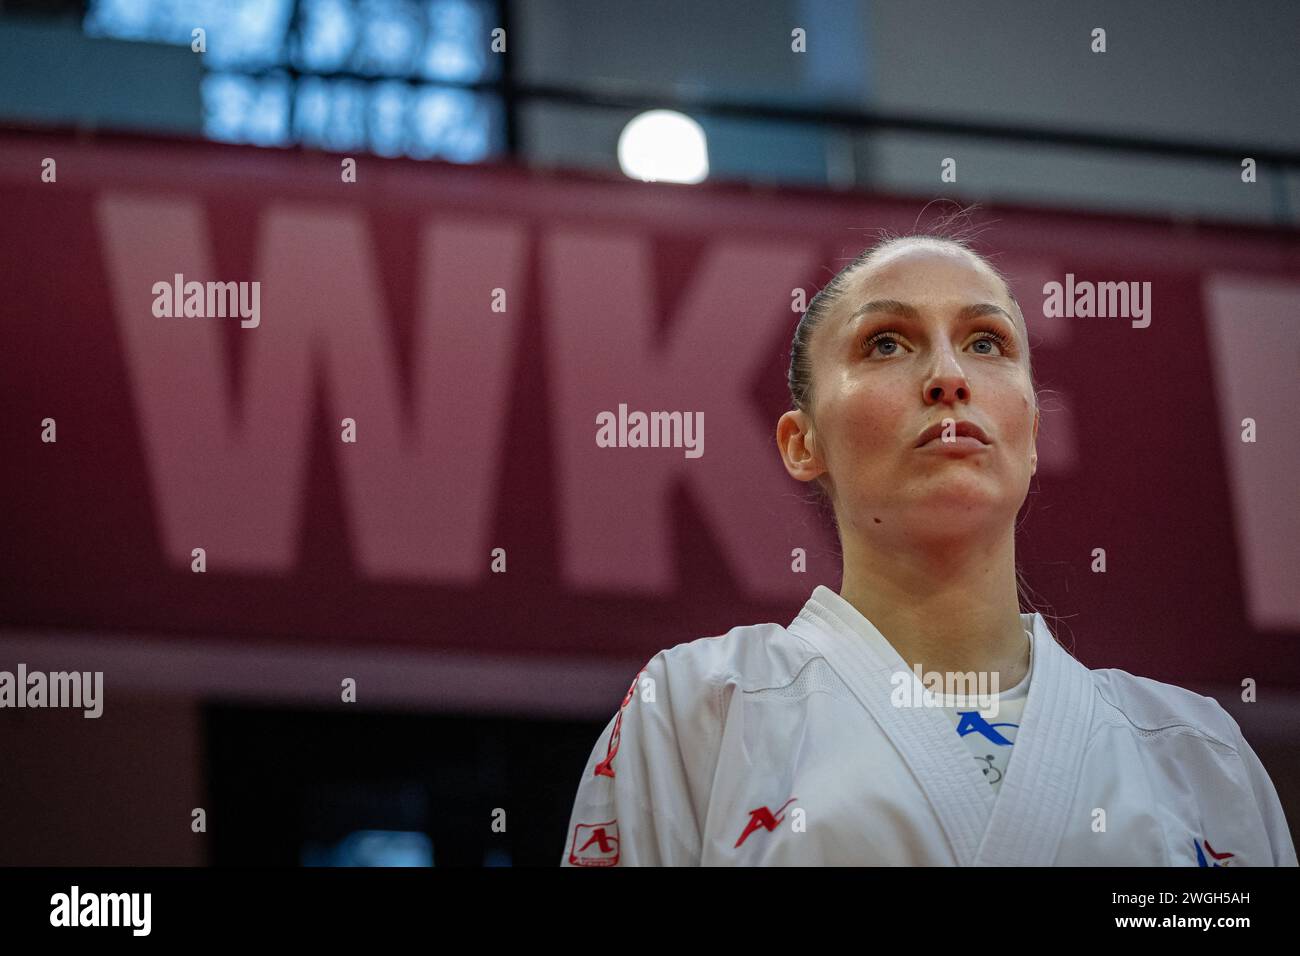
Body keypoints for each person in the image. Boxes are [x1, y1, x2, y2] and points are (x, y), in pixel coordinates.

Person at [559, 231, 1297, 867]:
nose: (949, 377)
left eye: (986, 343)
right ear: (802, 442)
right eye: (886, 343)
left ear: (1033, 435)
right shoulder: (699, 709)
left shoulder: (1198, 755)